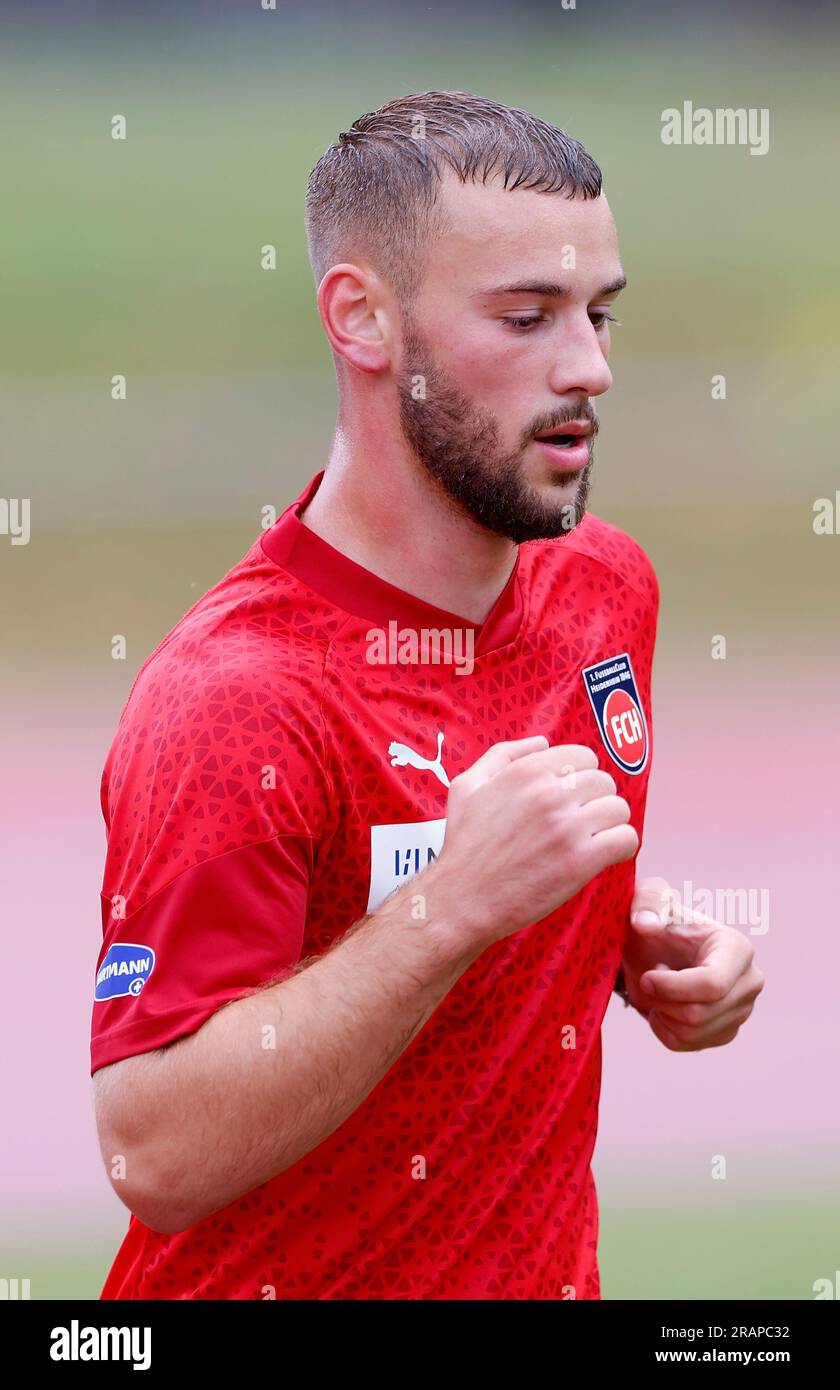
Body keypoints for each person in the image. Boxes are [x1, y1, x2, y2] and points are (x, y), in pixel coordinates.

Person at [91, 90, 763, 1300]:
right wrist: (454, 906)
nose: (591, 366)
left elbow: (441, 872)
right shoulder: (236, 697)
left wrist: (626, 939)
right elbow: (154, 1146)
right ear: (363, 319)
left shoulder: (607, 591)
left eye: (600, 312)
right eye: (528, 316)